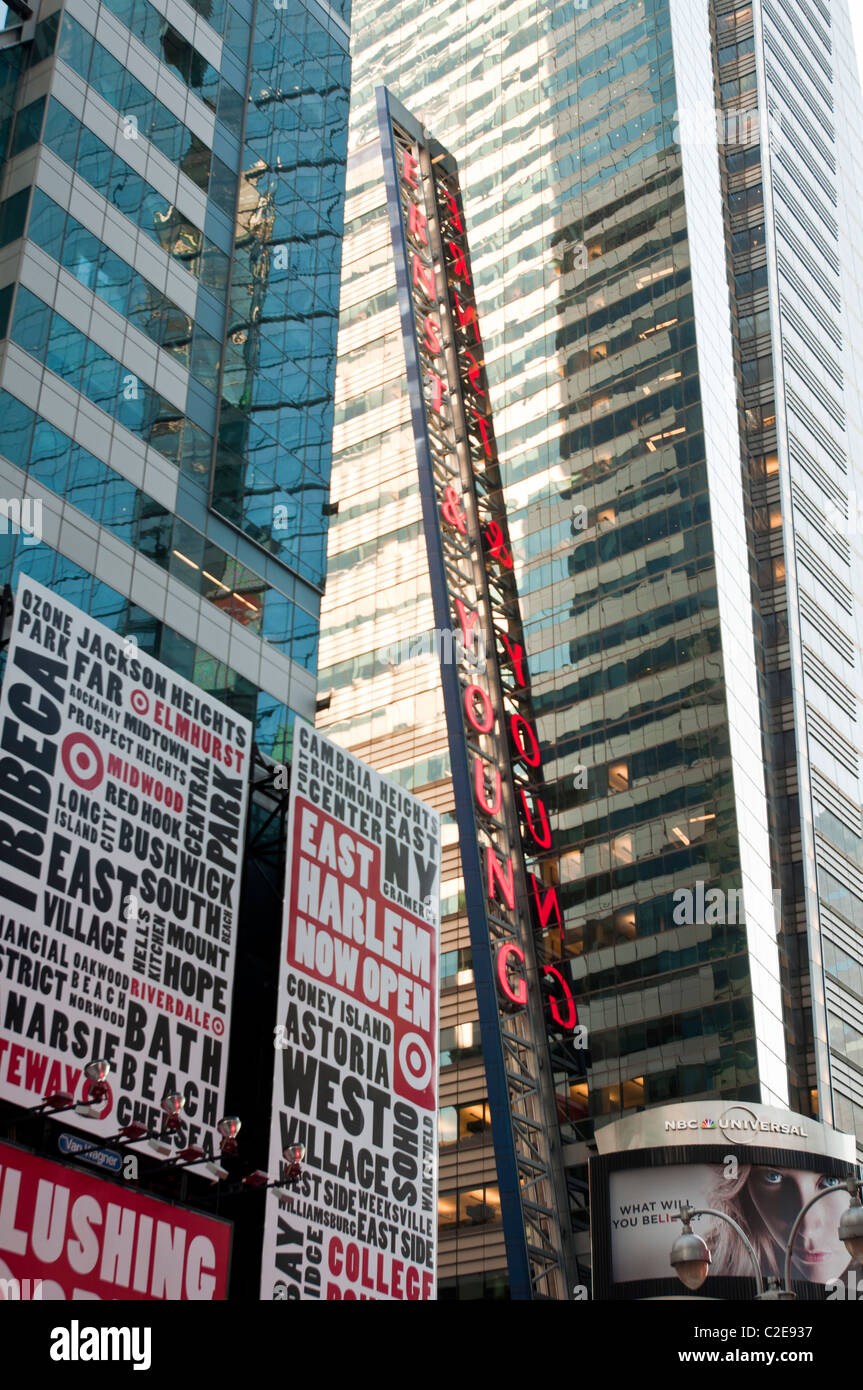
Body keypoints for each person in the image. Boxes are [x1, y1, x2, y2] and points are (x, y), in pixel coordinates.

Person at [703, 1163, 851, 1285]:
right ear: (745, 1188)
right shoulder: (707, 1267)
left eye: (831, 1180)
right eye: (772, 1177)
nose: (807, 1229)